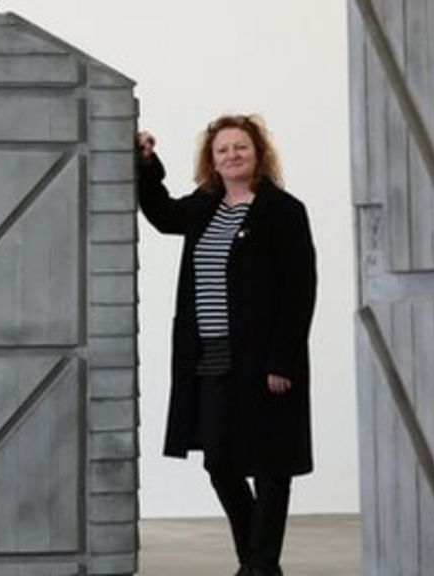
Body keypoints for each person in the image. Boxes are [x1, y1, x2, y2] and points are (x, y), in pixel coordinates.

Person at [136, 114, 317, 576]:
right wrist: (146, 164)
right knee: (220, 461)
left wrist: (283, 360)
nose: (232, 155)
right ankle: (256, 561)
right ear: (212, 160)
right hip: (211, 357)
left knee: (271, 466)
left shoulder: (283, 210)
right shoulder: (204, 206)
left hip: (265, 361)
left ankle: (260, 565)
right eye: (223, 150)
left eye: (241, 147)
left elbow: (300, 290)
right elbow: (161, 214)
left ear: (258, 153)